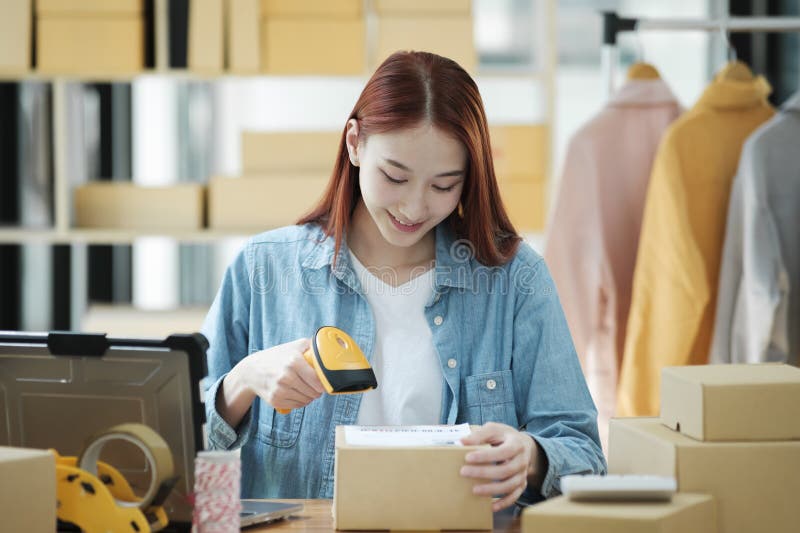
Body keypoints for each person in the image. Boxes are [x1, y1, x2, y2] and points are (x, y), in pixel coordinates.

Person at [202, 51, 606, 511]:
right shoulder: (264, 269)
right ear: (354, 144)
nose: (414, 208)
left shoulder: (516, 280)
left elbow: (585, 455)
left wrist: (530, 457)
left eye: (443, 186)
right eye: (395, 177)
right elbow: (166, 449)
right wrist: (242, 381)